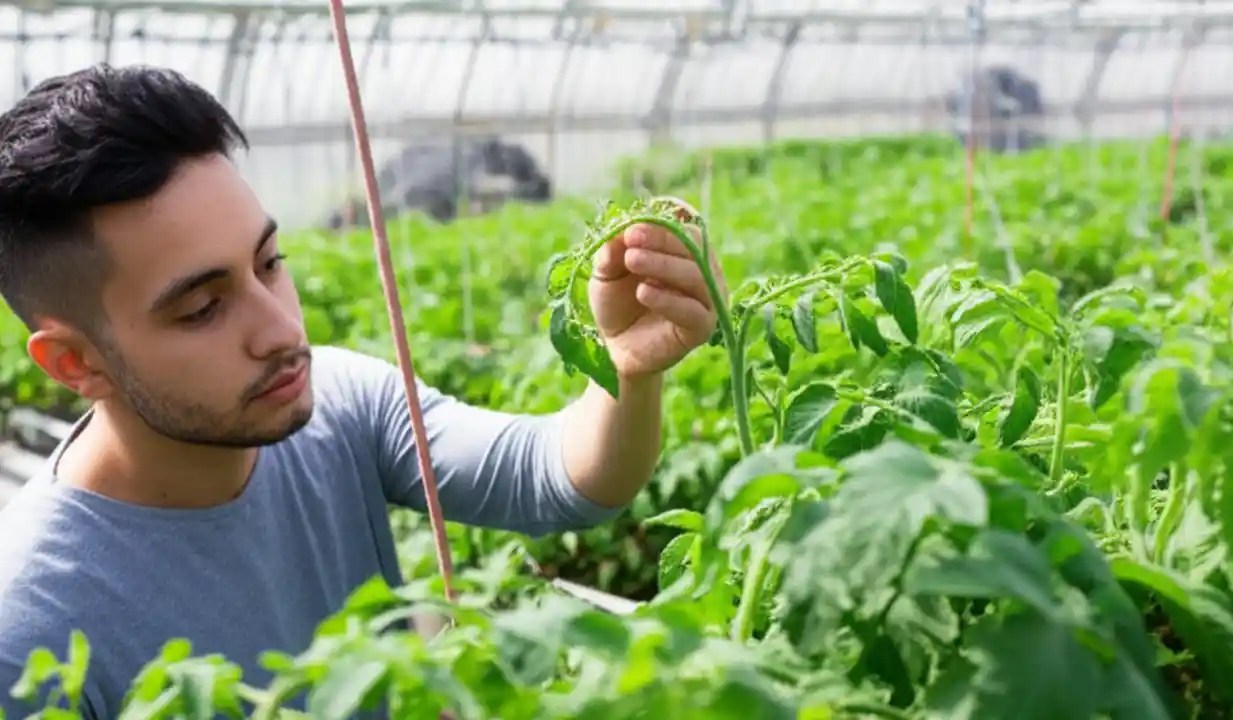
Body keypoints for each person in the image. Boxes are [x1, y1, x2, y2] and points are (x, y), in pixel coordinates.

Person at [0, 63, 723, 718]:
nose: (281, 328)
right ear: (73, 363)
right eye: (202, 309)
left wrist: (628, 368)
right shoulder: (32, 623)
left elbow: (555, 477)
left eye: (270, 262)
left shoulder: (339, 401)